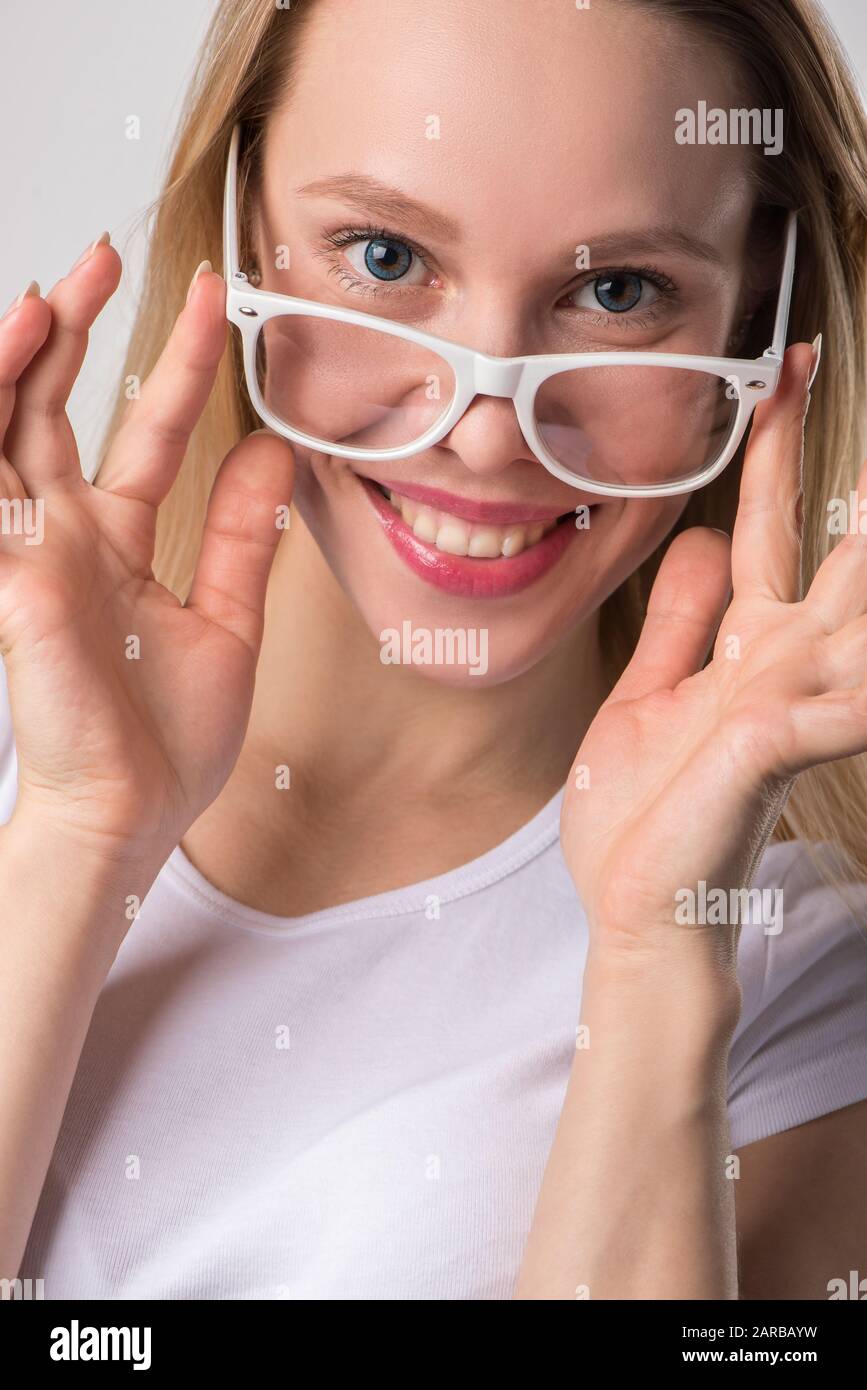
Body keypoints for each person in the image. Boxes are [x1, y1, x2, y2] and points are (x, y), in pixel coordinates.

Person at [1, 0, 866, 1301]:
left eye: (616, 291)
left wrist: (652, 971)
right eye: (387, 256)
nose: (481, 426)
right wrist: (76, 831)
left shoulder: (796, 977)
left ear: (759, 319)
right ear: (244, 236)